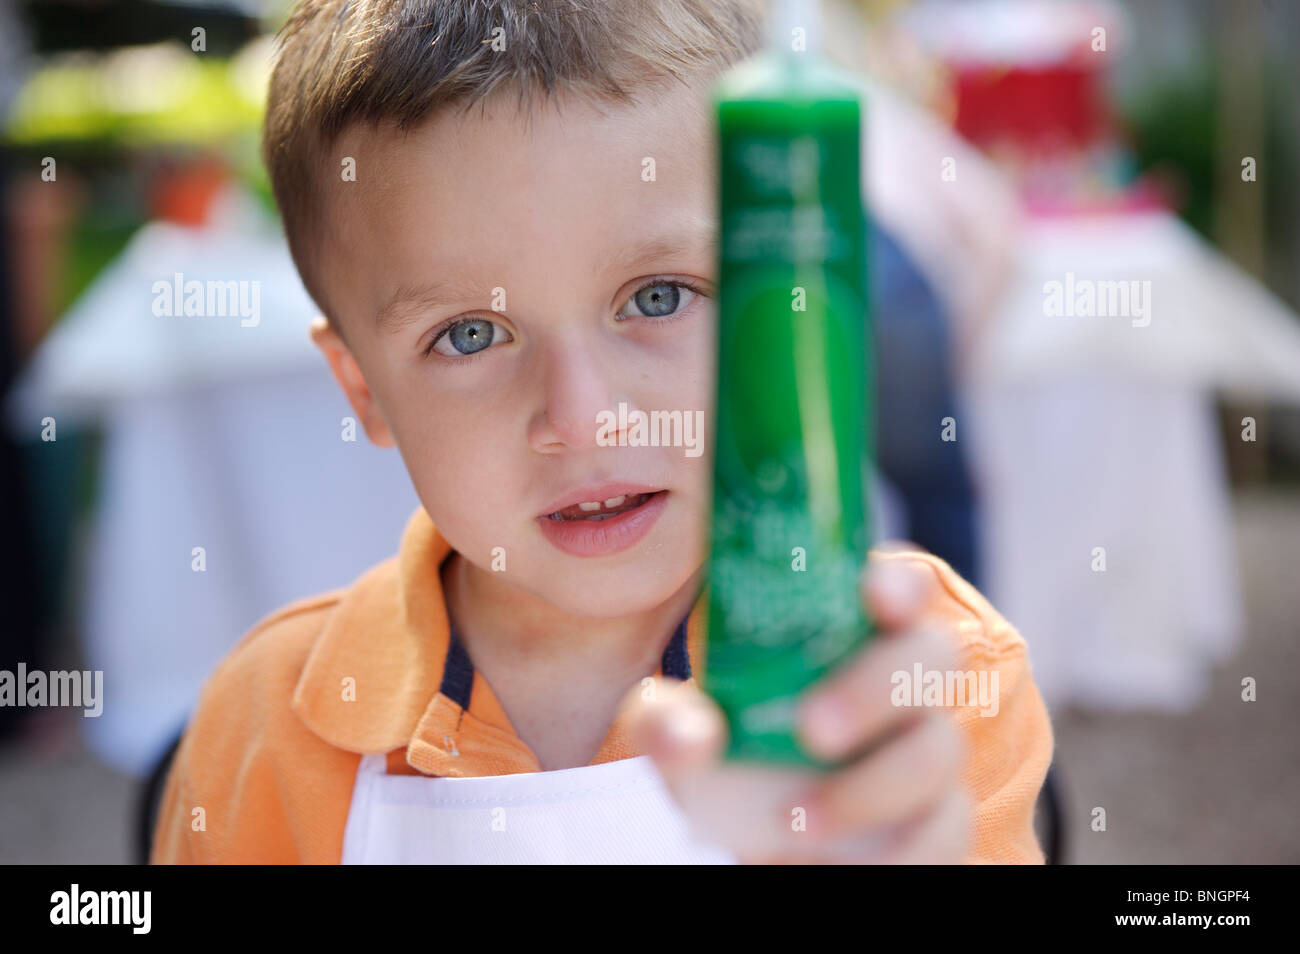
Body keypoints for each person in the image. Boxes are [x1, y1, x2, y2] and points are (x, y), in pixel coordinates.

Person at [151, 0, 1052, 864]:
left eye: (657, 297)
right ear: (364, 390)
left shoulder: (913, 690)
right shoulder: (264, 726)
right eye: (471, 334)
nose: (584, 420)